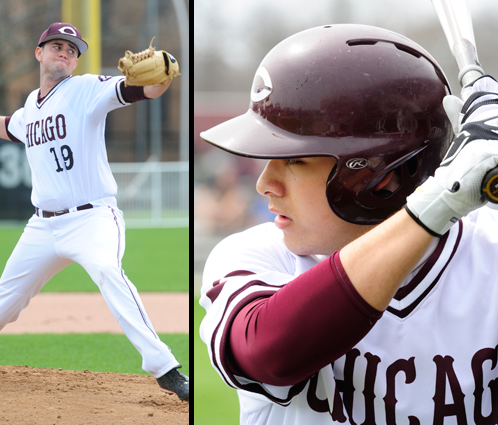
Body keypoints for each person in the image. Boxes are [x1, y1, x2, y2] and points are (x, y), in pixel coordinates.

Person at [198, 23, 498, 423]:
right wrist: (441, 198)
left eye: (294, 161)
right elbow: (267, 354)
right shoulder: (258, 255)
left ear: (380, 175)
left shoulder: (489, 255)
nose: (264, 184)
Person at [0, 22, 188, 402]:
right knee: (3, 303)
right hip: (43, 226)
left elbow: (142, 90)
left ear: (76, 61)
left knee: (108, 271)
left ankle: (166, 369)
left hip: (92, 218)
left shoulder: (86, 89)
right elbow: (7, 126)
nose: (65, 53)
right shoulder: (30, 109)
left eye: (72, 50)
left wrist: (162, 76)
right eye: (57, 46)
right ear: (39, 53)